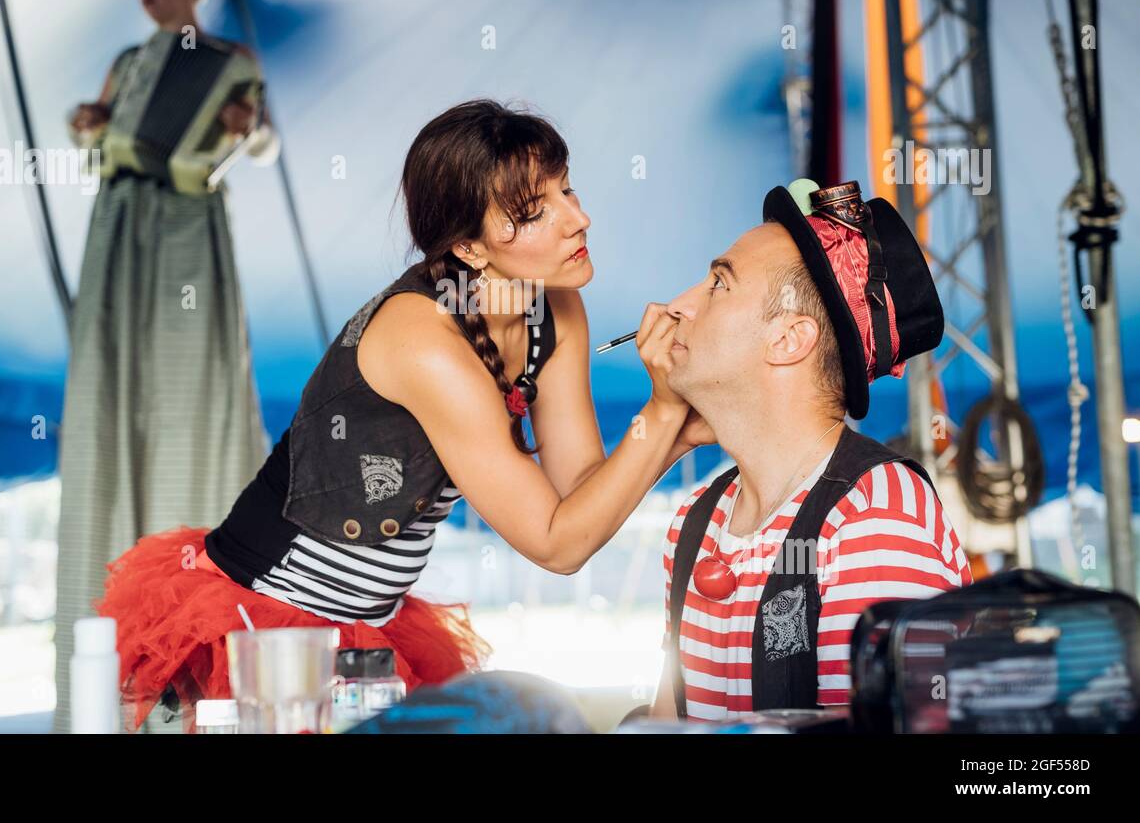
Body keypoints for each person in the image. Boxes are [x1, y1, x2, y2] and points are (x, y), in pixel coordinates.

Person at [96, 99, 702, 732]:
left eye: (568, 189)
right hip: (266, 618)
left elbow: (582, 492)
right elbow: (557, 543)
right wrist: (663, 414)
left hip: (373, 622)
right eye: (534, 212)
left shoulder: (555, 310)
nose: (579, 219)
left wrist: (676, 430)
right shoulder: (426, 340)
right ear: (468, 246)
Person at [54, 0, 278, 733]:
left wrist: (243, 133)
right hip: (121, 232)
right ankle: (111, 667)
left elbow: (260, 145)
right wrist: (89, 126)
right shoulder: (128, 60)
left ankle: (195, 654)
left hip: (185, 234)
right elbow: (99, 136)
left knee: (188, 403)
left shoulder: (230, 61)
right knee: (115, 393)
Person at [650, 178, 973, 722]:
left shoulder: (873, 516)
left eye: (718, 285)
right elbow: (668, 721)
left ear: (788, 340)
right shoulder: (694, 521)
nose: (676, 305)